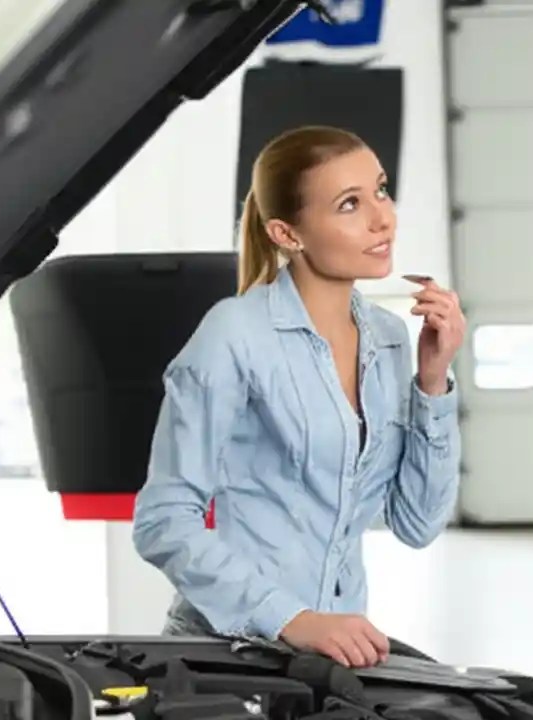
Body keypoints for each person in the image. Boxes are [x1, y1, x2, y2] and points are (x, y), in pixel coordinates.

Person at [132, 125, 464, 669]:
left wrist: (432, 381)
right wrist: (290, 617)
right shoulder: (234, 332)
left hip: (331, 656)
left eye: (380, 190)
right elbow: (164, 519)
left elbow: (417, 523)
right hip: (225, 652)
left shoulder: (388, 337)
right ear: (287, 234)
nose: (383, 218)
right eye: (349, 204)